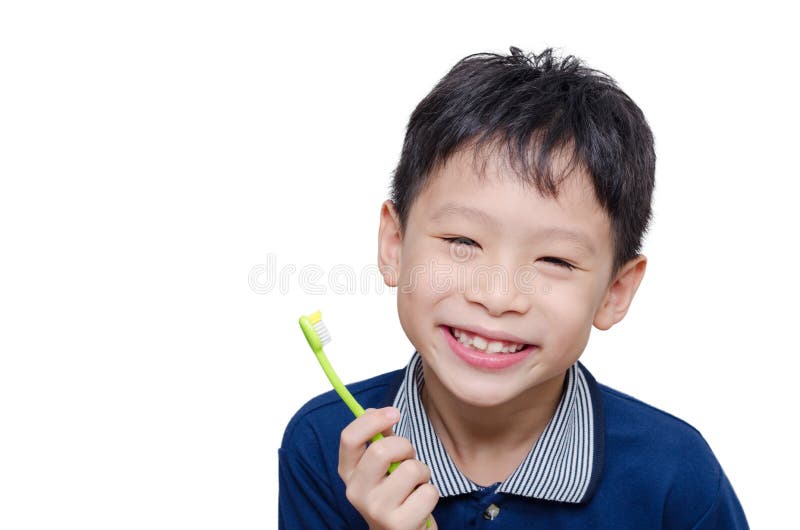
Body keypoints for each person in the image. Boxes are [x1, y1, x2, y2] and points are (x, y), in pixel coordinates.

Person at [278, 46, 749, 529]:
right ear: (395, 246)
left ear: (615, 291)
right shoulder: (325, 445)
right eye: (462, 241)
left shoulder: (677, 475)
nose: (498, 297)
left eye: (554, 260)